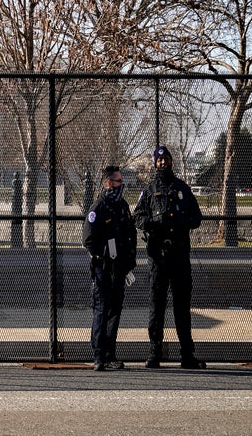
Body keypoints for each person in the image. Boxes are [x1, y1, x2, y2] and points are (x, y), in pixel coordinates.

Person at [133, 145, 206, 369]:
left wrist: (181, 222)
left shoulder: (183, 189)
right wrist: (152, 225)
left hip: (180, 258)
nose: (163, 163)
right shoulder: (149, 190)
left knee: (182, 307)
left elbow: (197, 217)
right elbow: (137, 217)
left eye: (166, 159)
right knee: (157, 305)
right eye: (159, 160)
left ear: (172, 161)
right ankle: (155, 353)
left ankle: (187, 354)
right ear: (155, 163)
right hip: (158, 259)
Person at [83, 165, 136, 371]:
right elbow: (88, 240)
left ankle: (109, 353)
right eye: (118, 182)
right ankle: (98, 356)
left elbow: (129, 235)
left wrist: (129, 262)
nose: (121, 185)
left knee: (115, 311)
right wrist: (106, 251)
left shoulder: (122, 206)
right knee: (101, 310)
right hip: (103, 267)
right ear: (108, 183)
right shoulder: (98, 208)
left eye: (121, 181)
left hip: (119, 269)